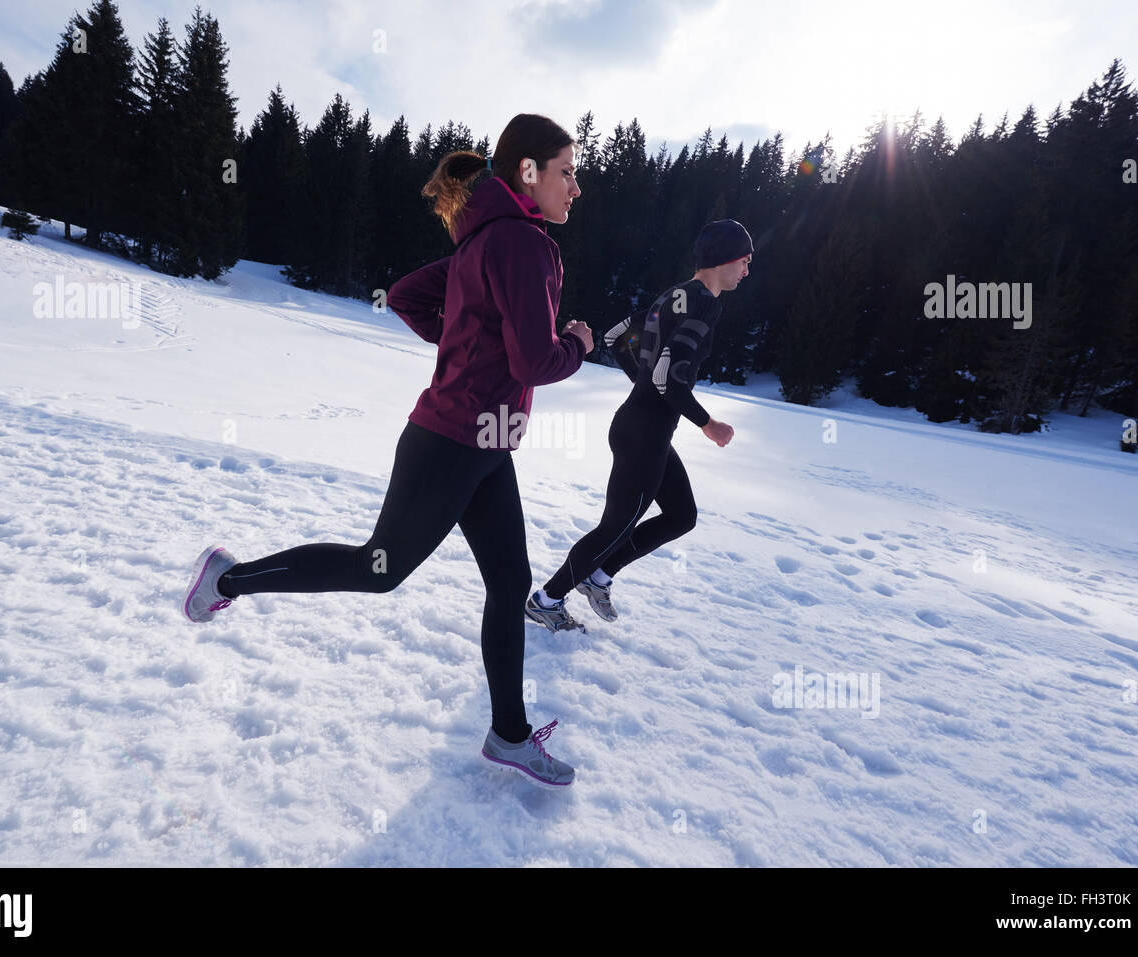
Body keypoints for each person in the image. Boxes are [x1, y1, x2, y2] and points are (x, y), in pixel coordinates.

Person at [182, 114, 592, 788]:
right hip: (454, 442)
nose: (576, 188)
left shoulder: (483, 238)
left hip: (481, 442)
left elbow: (408, 296)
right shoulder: (525, 244)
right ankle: (226, 578)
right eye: (567, 172)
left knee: (510, 583)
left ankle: (509, 734)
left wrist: (468, 348)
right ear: (529, 173)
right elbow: (533, 359)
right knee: (377, 568)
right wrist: (576, 343)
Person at [524, 220, 753, 632]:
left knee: (682, 514)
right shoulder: (705, 305)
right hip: (644, 435)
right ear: (725, 259)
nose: (746, 271)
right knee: (614, 527)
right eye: (744, 261)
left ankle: (599, 575)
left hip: (645, 429)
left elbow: (615, 337)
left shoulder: (674, 294)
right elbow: (669, 376)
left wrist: (645, 385)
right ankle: (546, 599)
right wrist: (708, 423)